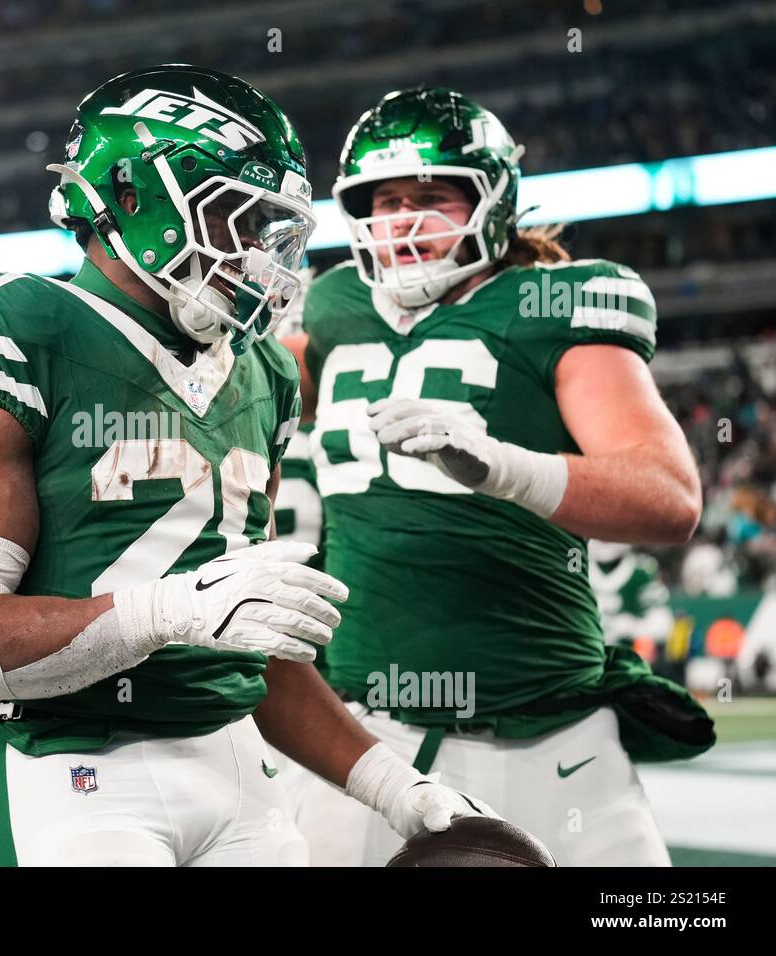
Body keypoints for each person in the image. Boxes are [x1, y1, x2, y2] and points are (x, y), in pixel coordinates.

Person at [0, 65, 497, 867]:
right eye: (235, 217)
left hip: (242, 773)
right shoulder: (12, 323)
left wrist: (399, 788)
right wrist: (167, 611)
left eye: (267, 228)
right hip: (71, 769)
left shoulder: (266, 373)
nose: (256, 253)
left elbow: (247, 643)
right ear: (137, 195)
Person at [295, 86, 705, 866]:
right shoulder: (332, 305)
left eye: (431, 197)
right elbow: (238, 410)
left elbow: (669, 498)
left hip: (557, 736)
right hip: (369, 739)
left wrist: (503, 466)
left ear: (491, 203)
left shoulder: (555, 302)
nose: (404, 221)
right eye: (384, 201)